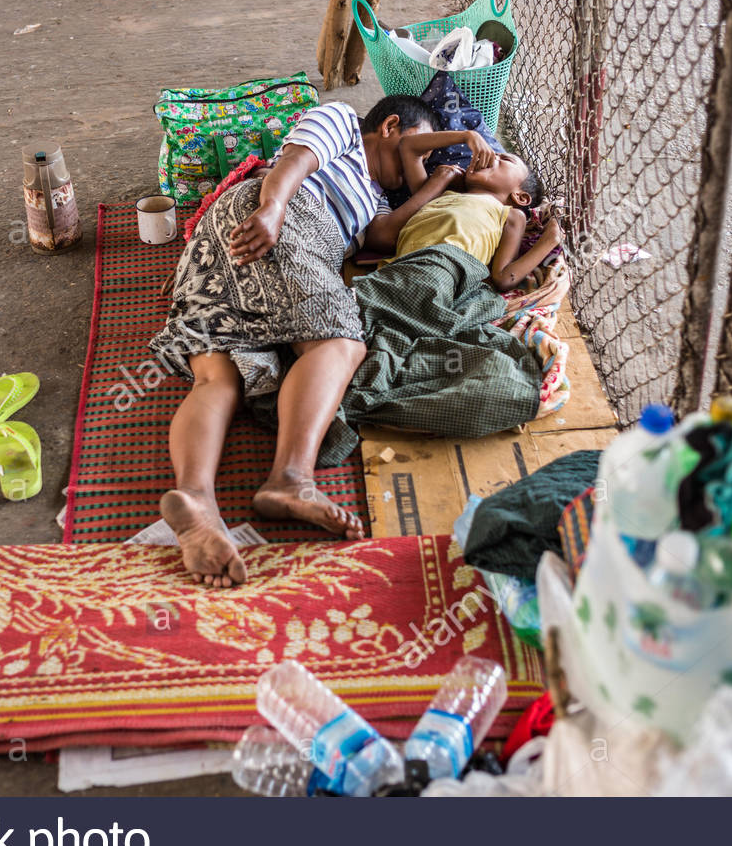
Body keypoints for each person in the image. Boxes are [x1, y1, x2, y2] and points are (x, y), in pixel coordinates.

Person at [149, 96, 495, 586]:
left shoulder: (373, 194)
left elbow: (384, 235)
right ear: (391, 126)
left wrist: (438, 182)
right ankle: (290, 478)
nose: (419, 163)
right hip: (280, 216)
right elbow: (295, 162)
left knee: (219, 376)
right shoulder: (342, 124)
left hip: (217, 246)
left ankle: (196, 501)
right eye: (417, 150)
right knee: (340, 341)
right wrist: (272, 208)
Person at [385, 151, 562, 291]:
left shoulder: (510, 214)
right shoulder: (447, 195)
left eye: (504, 159)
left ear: (520, 197)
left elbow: (504, 277)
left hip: (442, 274)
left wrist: (549, 240)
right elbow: (409, 147)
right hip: (398, 270)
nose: (491, 155)